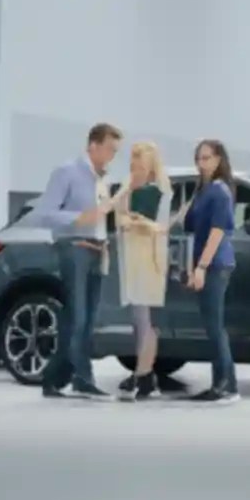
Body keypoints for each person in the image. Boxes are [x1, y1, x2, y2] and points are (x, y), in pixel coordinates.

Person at [24, 122, 122, 398]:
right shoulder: (67, 172)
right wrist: (79, 217)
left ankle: (60, 379)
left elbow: (102, 215)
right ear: (93, 145)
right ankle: (78, 378)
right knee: (77, 317)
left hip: (97, 251)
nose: (113, 155)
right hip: (75, 248)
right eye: (110, 149)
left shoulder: (102, 178)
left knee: (88, 320)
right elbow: (44, 214)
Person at [111, 142, 173, 401]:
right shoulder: (127, 185)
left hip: (150, 258)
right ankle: (144, 377)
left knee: (145, 320)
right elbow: (120, 217)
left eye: (143, 165)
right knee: (137, 320)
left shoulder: (162, 190)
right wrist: (131, 219)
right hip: (131, 257)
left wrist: (140, 222)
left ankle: (144, 375)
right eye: (135, 165)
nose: (138, 169)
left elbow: (161, 226)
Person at [183, 139, 239, 404]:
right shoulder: (204, 190)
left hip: (215, 264)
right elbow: (190, 224)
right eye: (198, 159)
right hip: (207, 263)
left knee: (215, 326)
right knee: (212, 325)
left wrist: (202, 267)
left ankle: (225, 386)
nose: (201, 163)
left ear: (218, 160)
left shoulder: (220, 191)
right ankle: (227, 384)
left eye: (206, 158)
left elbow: (218, 232)